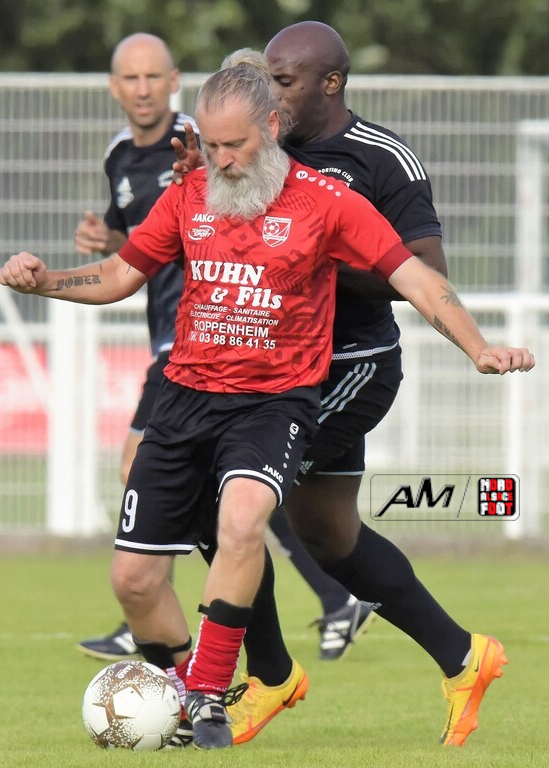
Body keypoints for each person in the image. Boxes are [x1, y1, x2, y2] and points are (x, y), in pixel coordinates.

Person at [0, 52, 534, 749]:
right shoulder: (187, 195)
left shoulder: (326, 201)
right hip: (184, 401)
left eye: (235, 145)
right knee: (134, 580)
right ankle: (193, 692)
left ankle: (213, 695)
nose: (221, 160)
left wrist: (478, 346)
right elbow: (119, 274)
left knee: (244, 517)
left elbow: (418, 278)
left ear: (273, 128)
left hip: (274, 402)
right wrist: (44, 281)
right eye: (211, 145)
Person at [169, 22, 513, 748]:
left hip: (348, 365)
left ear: (330, 83)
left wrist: (320, 254)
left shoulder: (381, 158)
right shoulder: (261, 149)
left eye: (285, 80)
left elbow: (424, 267)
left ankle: (267, 674)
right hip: (270, 367)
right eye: (266, 78)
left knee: (218, 497)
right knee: (327, 534)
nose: (271, 92)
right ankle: (464, 657)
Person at [70, 33, 374, 667]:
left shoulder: (210, 138)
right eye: (131, 78)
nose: (143, 90)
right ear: (114, 87)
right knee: (229, 497)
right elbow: (139, 249)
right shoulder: (122, 156)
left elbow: (271, 199)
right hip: (179, 339)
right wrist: (103, 244)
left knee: (184, 483)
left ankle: (172, 624)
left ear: (175, 80)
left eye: (154, 77)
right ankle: (192, 607)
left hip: (215, 347)